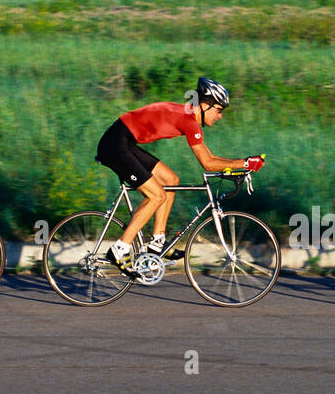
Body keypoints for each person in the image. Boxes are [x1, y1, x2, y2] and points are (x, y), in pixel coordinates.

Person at [95, 77, 263, 272]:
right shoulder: (189, 120)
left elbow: (210, 158)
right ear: (205, 105)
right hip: (115, 146)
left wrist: (241, 164)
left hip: (124, 141)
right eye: (219, 110)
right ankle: (119, 249)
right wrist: (245, 163)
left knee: (170, 180)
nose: (220, 116)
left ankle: (157, 243)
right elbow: (208, 164)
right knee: (156, 195)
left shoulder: (188, 115)